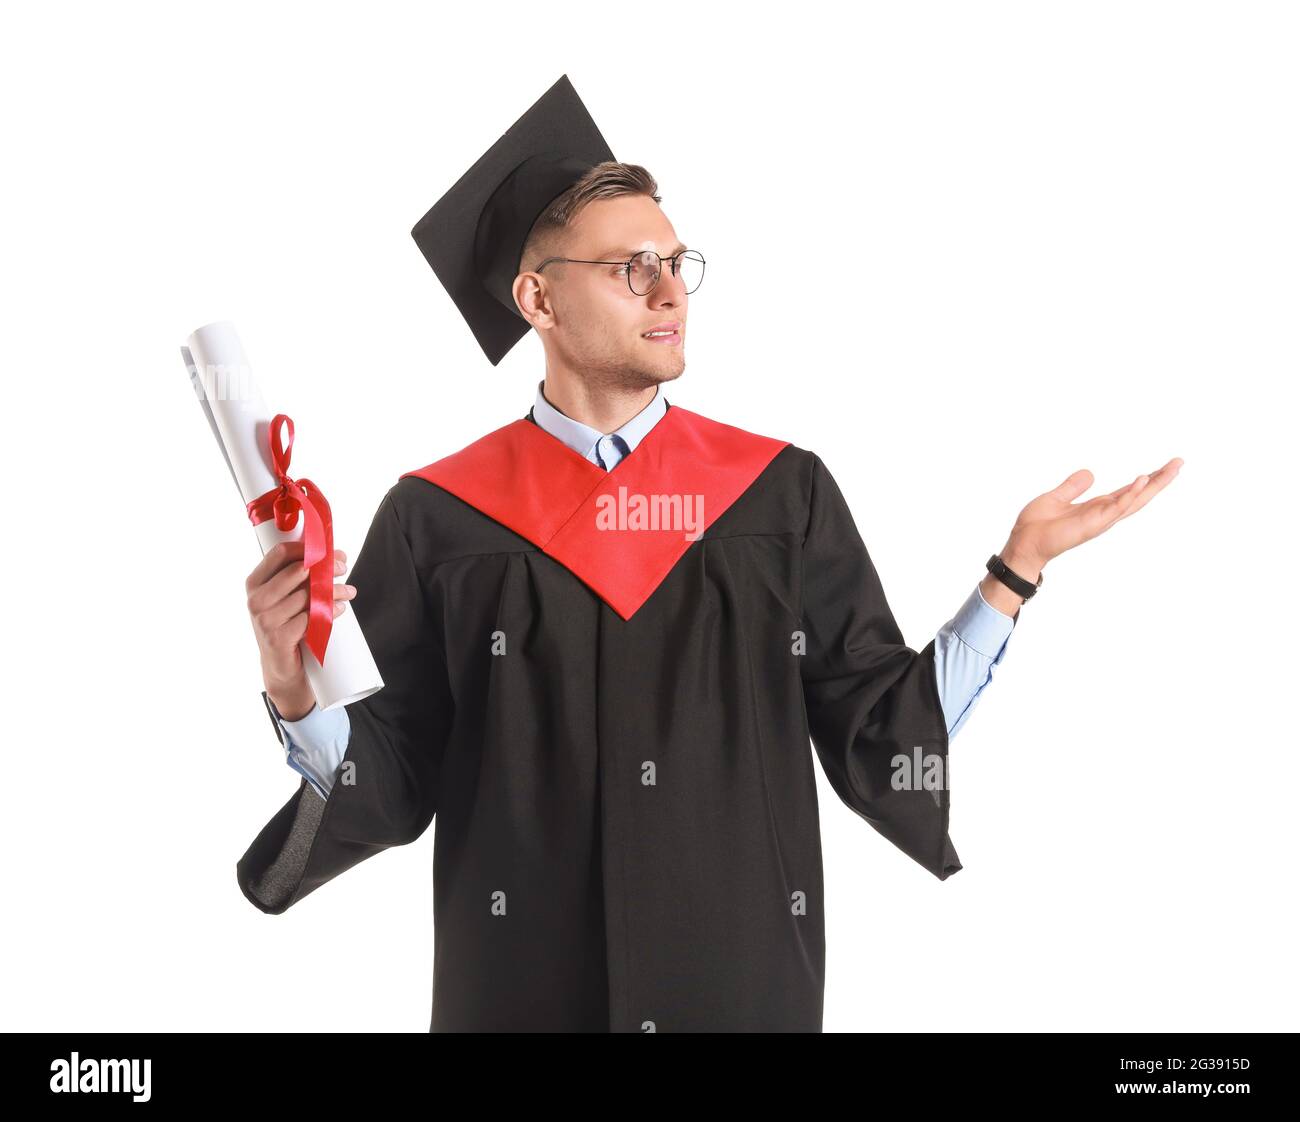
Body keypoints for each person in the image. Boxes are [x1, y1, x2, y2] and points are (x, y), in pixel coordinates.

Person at [235, 75, 1182, 1032]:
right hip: (517, 999)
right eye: (630, 266)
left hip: (738, 995)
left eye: (677, 262)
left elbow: (880, 735)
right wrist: (294, 688)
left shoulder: (778, 495)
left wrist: (1011, 575)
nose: (670, 290)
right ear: (537, 298)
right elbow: (393, 783)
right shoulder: (439, 518)